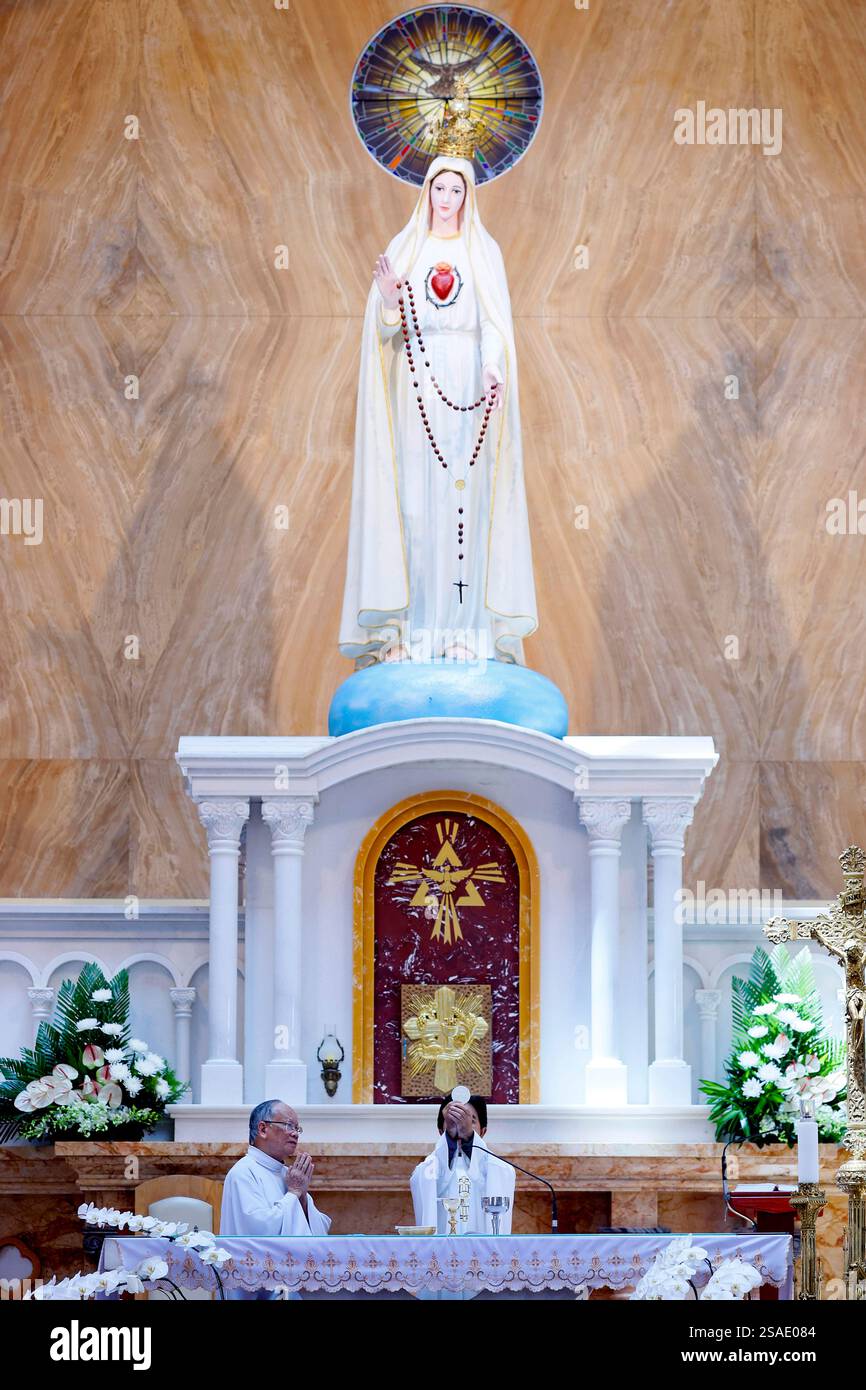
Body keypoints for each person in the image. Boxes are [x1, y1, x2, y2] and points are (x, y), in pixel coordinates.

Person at [338, 138, 537, 668]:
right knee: (414, 510)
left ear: (468, 196)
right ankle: (410, 632)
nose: (446, 198)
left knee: (462, 509)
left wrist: (493, 366)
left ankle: (462, 631)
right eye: (439, 188)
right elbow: (385, 331)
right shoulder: (408, 249)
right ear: (426, 192)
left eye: (456, 189)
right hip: (415, 390)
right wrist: (385, 301)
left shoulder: (482, 252)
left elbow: (493, 324)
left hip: (467, 389)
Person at [220, 1099, 330, 1299]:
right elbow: (259, 1231)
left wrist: (302, 1195)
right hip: (255, 1286)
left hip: (290, 1279)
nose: (295, 1133)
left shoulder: (288, 1174)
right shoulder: (243, 1173)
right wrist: (294, 1193)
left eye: (298, 1128)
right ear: (263, 1128)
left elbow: (319, 1231)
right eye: (288, 1125)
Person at [410, 1095, 515, 1236]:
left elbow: (504, 1174)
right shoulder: (429, 1169)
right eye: (453, 1121)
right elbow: (422, 1181)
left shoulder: (496, 1168)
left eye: (470, 1122)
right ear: (441, 1131)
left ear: (483, 1131)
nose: (461, 1126)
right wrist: (450, 1138)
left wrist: (469, 1137)